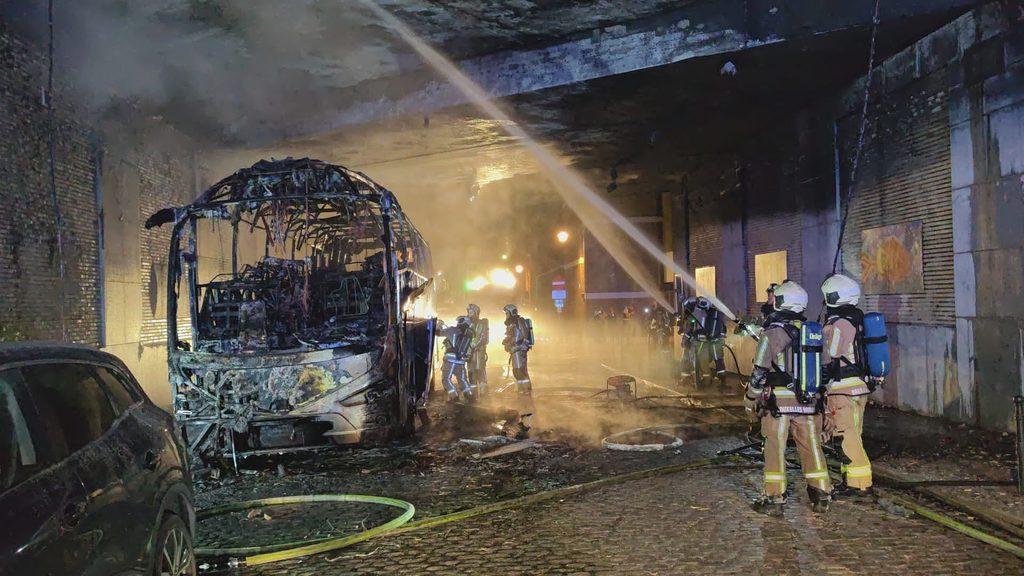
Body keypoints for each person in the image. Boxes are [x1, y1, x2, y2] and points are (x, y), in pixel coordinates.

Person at [745, 280, 831, 516]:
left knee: (775, 449)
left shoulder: (771, 333)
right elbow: (827, 370)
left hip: (778, 406)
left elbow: (759, 371)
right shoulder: (815, 332)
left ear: (780, 302)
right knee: (812, 447)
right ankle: (822, 494)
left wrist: (750, 398)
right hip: (809, 402)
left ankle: (774, 499)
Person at [820, 273, 875, 501]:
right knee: (854, 434)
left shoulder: (838, 324)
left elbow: (830, 356)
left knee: (846, 436)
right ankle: (850, 480)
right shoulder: (857, 319)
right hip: (859, 387)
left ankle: (860, 486)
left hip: (842, 389)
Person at [437, 316, 474, 402]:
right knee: (462, 379)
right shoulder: (468, 334)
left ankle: (454, 396)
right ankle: (469, 395)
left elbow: (437, 333)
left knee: (446, 379)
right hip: (461, 360)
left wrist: (439, 324)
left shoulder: (452, 330)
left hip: (450, 359)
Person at [502, 304, 534, 396]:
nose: (506, 315)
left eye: (507, 313)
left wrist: (517, 346)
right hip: (514, 350)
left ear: (512, 312)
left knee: (521, 370)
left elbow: (524, 336)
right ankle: (521, 389)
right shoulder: (510, 323)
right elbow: (510, 336)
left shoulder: (519, 321)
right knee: (516, 371)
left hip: (520, 350)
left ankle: (527, 390)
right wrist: (506, 343)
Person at [466, 304, 489, 395]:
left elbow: (483, 338)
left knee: (480, 372)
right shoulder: (468, 324)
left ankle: (484, 394)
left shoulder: (482, 323)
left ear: (476, 313)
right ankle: (473, 394)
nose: (469, 315)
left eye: (471, 312)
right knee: (471, 373)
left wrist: (473, 345)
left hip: (479, 352)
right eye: (468, 312)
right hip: (470, 354)